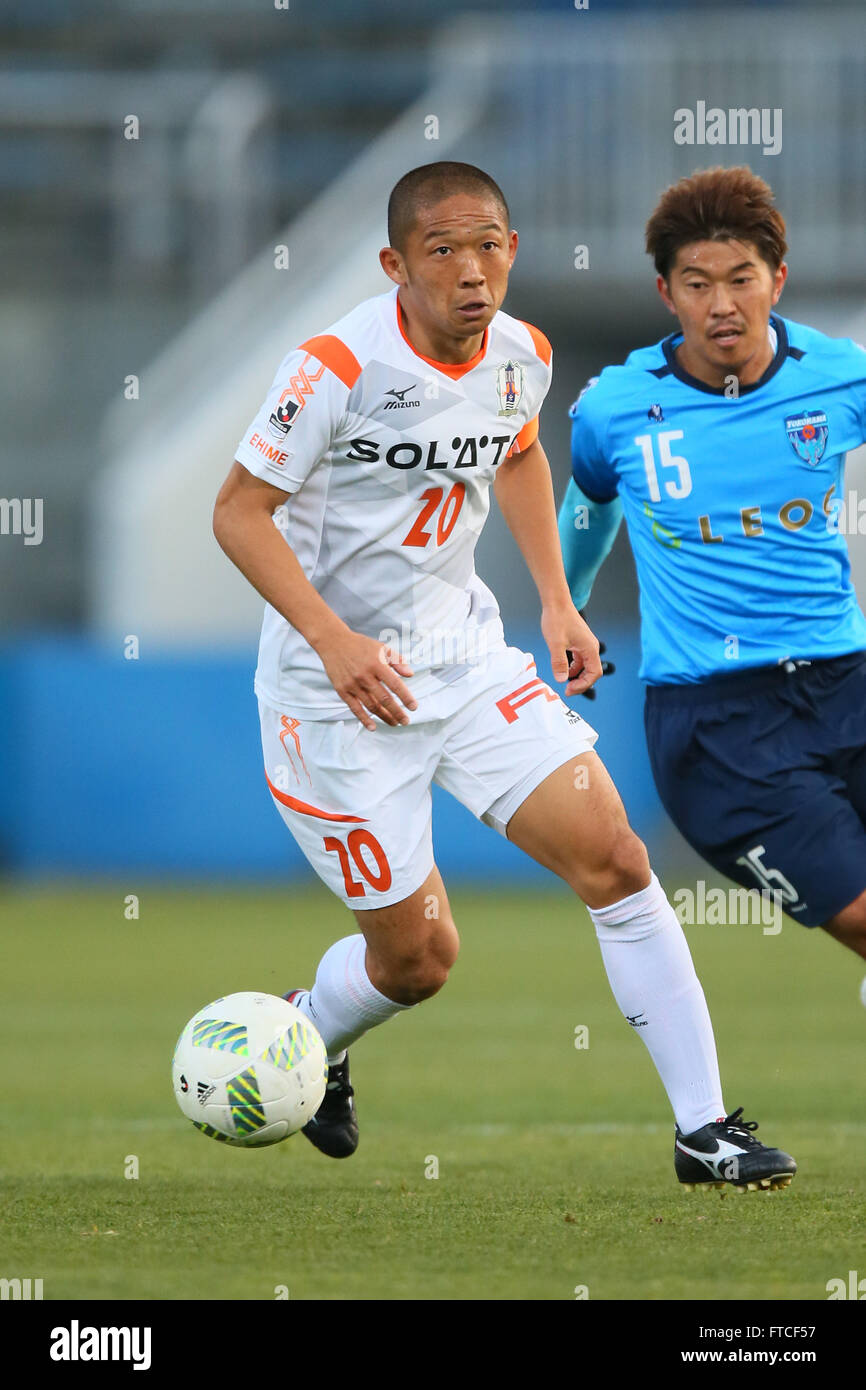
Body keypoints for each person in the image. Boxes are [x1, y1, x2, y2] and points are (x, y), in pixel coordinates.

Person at [213, 161, 795, 1191]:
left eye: (487, 244)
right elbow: (237, 512)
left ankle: (703, 1130)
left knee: (614, 857)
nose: (470, 269)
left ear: (514, 251)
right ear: (395, 264)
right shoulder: (332, 367)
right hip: (332, 698)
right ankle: (314, 1026)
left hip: (465, 661)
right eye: (441, 250)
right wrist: (332, 642)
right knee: (417, 962)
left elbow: (519, 453)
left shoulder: (520, 353)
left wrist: (556, 601)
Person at [559, 165, 866, 963]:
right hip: (719, 726)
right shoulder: (615, 406)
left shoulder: (841, 376)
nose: (722, 304)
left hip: (847, 683)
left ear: (778, 280)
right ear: (667, 293)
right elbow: (591, 504)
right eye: (697, 283)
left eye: (741, 278)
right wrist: (570, 605)